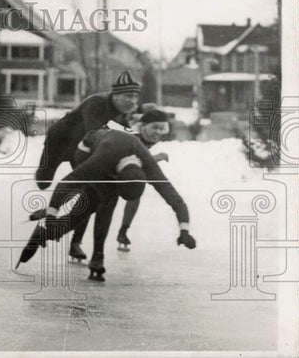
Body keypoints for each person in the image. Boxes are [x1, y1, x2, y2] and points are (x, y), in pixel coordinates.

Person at [17, 128, 196, 281]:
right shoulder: (102, 160)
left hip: (113, 152)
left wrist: (185, 230)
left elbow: (175, 199)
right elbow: (67, 183)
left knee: (87, 207)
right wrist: (51, 212)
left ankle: (48, 233)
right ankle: (97, 256)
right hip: (87, 149)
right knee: (107, 198)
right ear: (117, 177)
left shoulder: (149, 166)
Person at [34, 70, 154, 261]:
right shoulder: (96, 102)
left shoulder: (125, 112)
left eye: (135, 97)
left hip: (82, 149)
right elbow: (95, 132)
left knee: (91, 193)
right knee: (43, 182)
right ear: (114, 95)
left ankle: (75, 242)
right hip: (60, 142)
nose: (133, 102)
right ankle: (55, 199)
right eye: (128, 96)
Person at [68, 109, 171, 255]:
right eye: (155, 128)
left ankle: (122, 231)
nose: (158, 133)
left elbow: (137, 159)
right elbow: (135, 157)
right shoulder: (132, 135)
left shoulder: (145, 134)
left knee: (135, 189)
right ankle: (73, 240)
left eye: (162, 129)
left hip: (111, 161)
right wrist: (154, 159)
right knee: (91, 199)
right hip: (93, 156)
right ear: (143, 126)